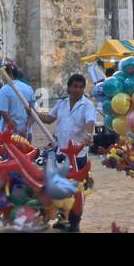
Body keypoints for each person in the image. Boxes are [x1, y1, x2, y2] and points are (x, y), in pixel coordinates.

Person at [39, 73, 96, 234]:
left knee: (76, 192)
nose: (77, 89)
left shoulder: (87, 105)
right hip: (61, 154)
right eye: (74, 86)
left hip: (78, 156)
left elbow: (90, 122)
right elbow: (49, 119)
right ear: (69, 87)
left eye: (80, 87)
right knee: (59, 189)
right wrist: (33, 113)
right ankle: (62, 219)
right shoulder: (62, 103)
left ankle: (75, 223)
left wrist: (89, 136)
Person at [0, 65, 35, 137]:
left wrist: (17, 130)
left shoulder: (5, 89)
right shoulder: (28, 88)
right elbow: (33, 112)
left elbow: (4, 112)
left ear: (8, 74)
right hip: (27, 133)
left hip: (10, 134)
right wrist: (26, 128)